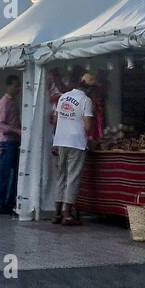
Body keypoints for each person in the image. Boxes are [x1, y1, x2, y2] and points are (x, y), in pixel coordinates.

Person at [51, 80, 95, 225]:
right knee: (73, 177)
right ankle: (67, 213)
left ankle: (57, 212)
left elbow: (55, 120)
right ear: (88, 89)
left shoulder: (62, 97)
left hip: (60, 140)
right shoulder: (86, 100)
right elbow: (87, 127)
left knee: (61, 176)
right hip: (76, 142)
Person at [0, 73, 22, 216]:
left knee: (15, 174)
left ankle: (9, 202)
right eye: (16, 86)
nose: (18, 89)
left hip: (14, 141)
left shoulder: (14, 101)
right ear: (9, 85)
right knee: (5, 174)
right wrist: (16, 130)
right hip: (7, 142)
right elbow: (0, 124)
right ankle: (0, 204)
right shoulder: (5, 102)